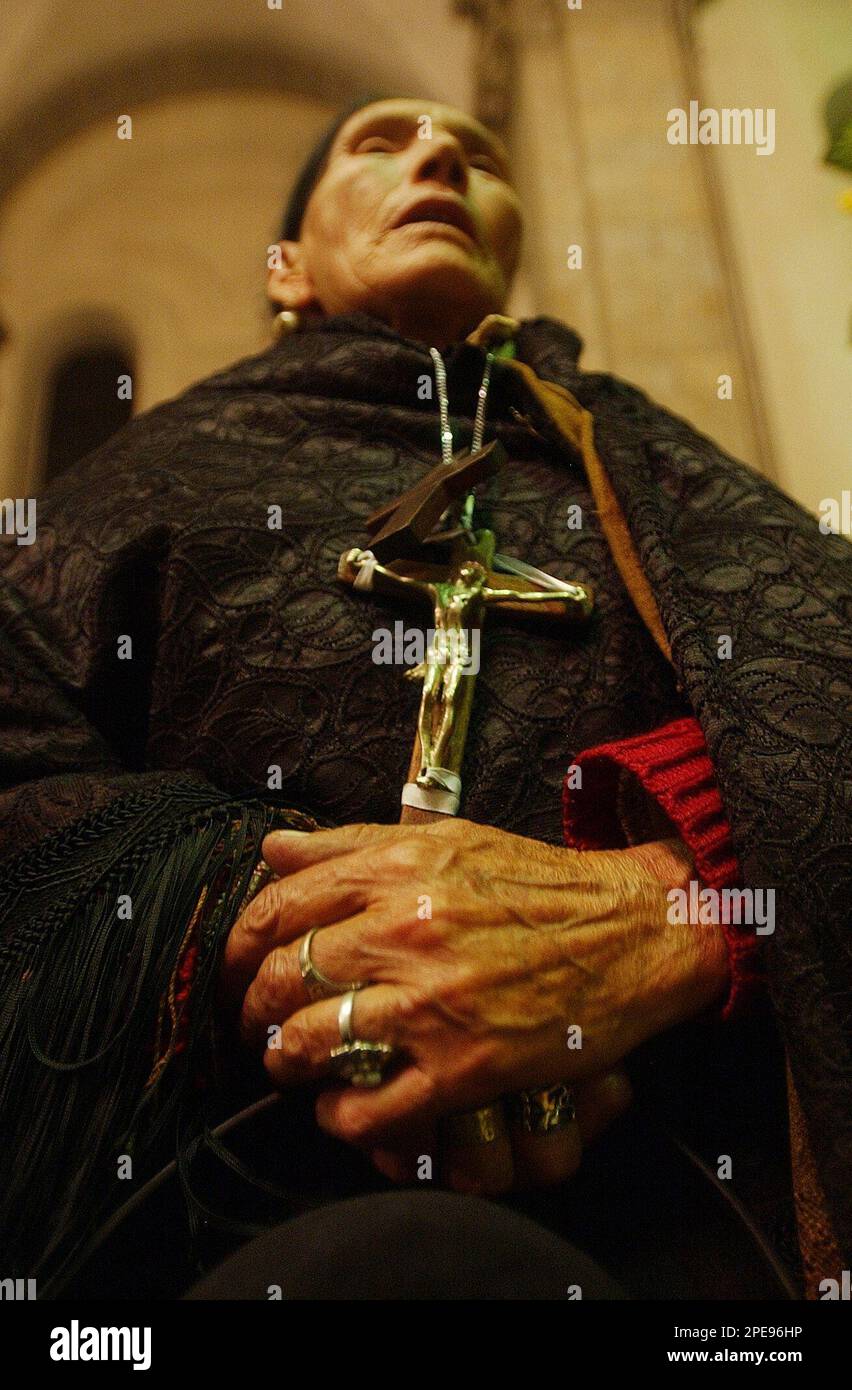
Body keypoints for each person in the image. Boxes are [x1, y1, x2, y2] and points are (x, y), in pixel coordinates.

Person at [0, 94, 849, 1301]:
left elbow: (824, 676)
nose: (442, 152)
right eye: (380, 141)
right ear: (286, 266)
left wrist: (675, 901)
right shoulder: (145, 476)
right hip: (215, 1207)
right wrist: (291, 918)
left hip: (690, 1218)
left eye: (478, 153)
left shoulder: (656, 465)